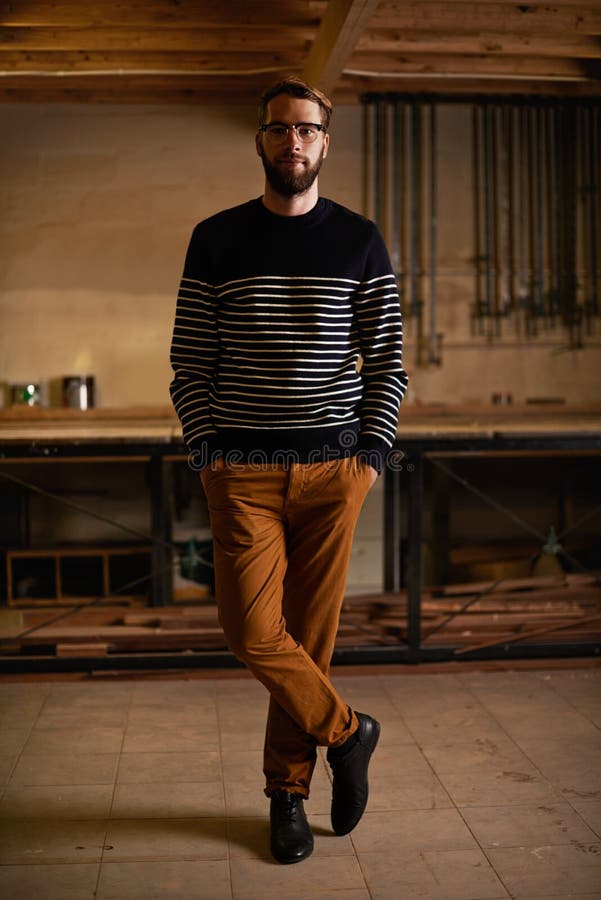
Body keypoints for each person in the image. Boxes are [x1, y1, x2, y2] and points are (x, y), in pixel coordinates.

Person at [169, 75, 408, 864]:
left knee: (307, 639)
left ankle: (286, 796)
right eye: (279, 128)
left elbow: (388, 363)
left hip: (333, 472)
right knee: (251, 631)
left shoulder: (359, 240)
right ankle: (348, 732)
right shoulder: (217, 238)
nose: (293, 141)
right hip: (241, 472)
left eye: (306, 129)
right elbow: (189, 362)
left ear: (324, 143)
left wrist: (370, 457)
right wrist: (208, 454)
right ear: (260, 140)